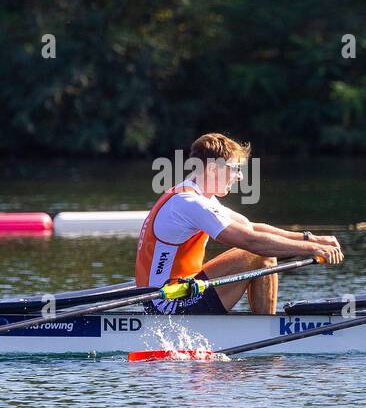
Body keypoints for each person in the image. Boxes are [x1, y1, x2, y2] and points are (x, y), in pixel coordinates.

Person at [136, 133, 344, 314]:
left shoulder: (195, 194)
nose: (240, 176)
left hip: (179, 291)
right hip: (167, 303)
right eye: (235, 168)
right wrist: (313, 249)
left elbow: (249, 227)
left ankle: (265, 326)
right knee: (259, 253)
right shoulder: (189, 203)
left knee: (261, 254)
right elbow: (251, 241)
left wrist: (310, 238)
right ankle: (266, 332)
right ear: (211, 169)